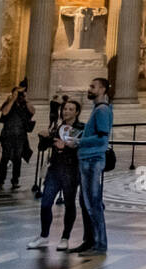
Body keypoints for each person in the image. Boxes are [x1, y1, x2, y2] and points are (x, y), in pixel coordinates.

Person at [28, 98, 83, 251]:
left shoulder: (81, 128)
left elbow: (81, 147)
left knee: (69, 204)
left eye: (71, 109)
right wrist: (43, 137)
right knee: (46, 203)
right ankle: (44, 235)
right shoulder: (57, 127)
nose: (66, 111)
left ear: (77, 112)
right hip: (55, 169)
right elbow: (42, 148)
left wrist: (67, 146)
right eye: (65, 109)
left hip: (71, 170)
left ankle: (65, 237)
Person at [75, 77, 112, 257]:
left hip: (92, 159)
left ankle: (100, 244)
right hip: (88, 158)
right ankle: (93, 242)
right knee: (88, 202)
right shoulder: (98, 109)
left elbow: (103, 137)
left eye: (93, 87)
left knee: (93, 203)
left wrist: (78, 141)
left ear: (103, 89)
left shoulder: (102, 110)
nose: (89, 89)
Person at [0, 80, 35, 191]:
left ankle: (15, 181)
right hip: (7, 135)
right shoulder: (9, 103)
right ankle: (0, 181)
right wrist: (12, 99)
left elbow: (33, 111)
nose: (20, 96)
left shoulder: (24, 105)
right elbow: (4, 112)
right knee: (5, 158)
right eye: (18, 93)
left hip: (20, 137)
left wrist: (26, 100)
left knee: (17, 159)